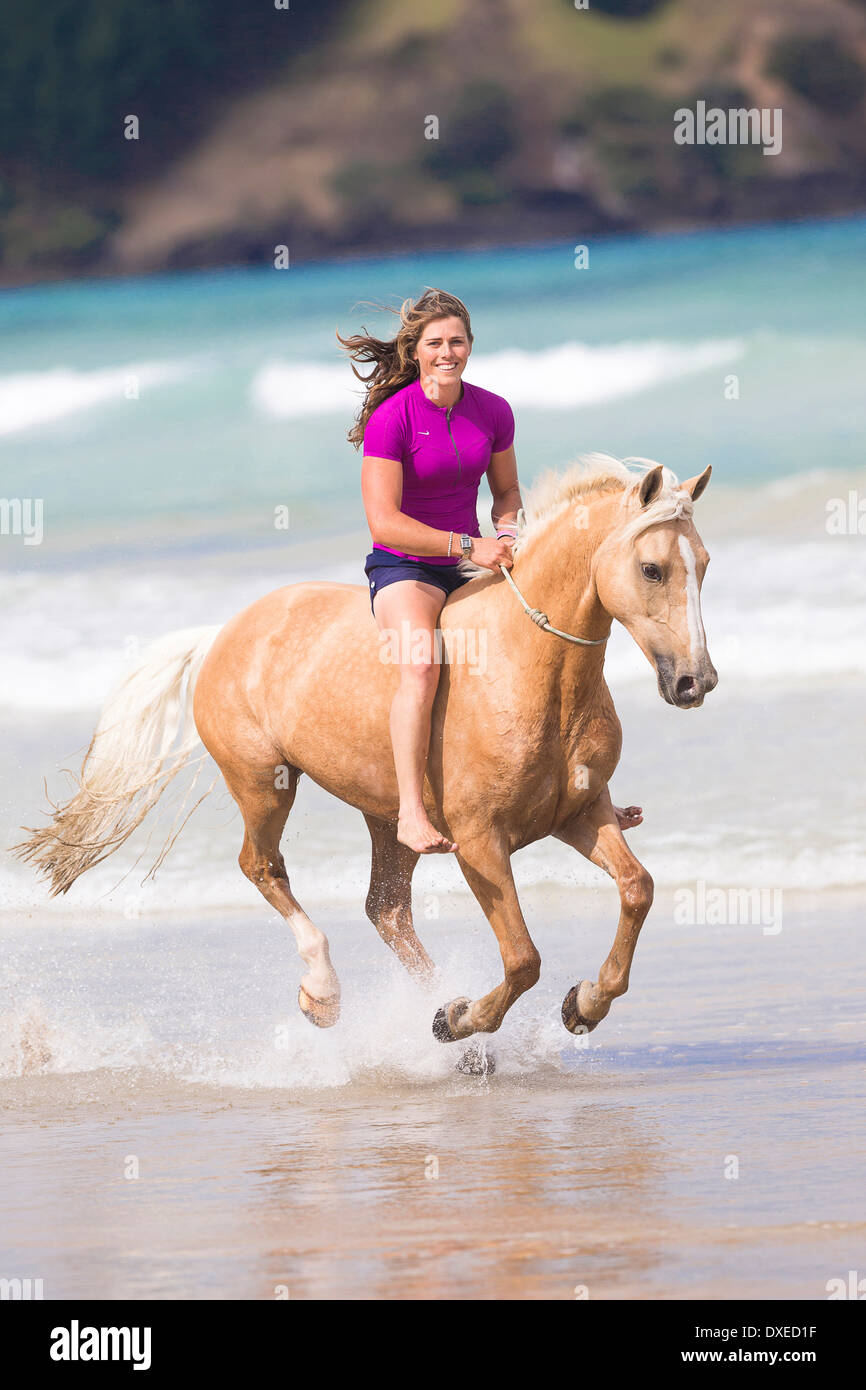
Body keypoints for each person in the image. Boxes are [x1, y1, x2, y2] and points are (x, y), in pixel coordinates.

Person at [338, 288, 642, 854]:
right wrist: (464, 545)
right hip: (408, 568)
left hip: (475, 558)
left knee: (551, 642)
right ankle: (410, 811)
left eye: (456, 341)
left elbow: (505, 492)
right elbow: (383, 522)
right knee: (421, 666)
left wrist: (506, 534)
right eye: (435, 343)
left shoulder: (493, 410)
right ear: (416, 351)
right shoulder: (391, 419)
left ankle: (582, 791)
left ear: (471, 346)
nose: (446, 352)